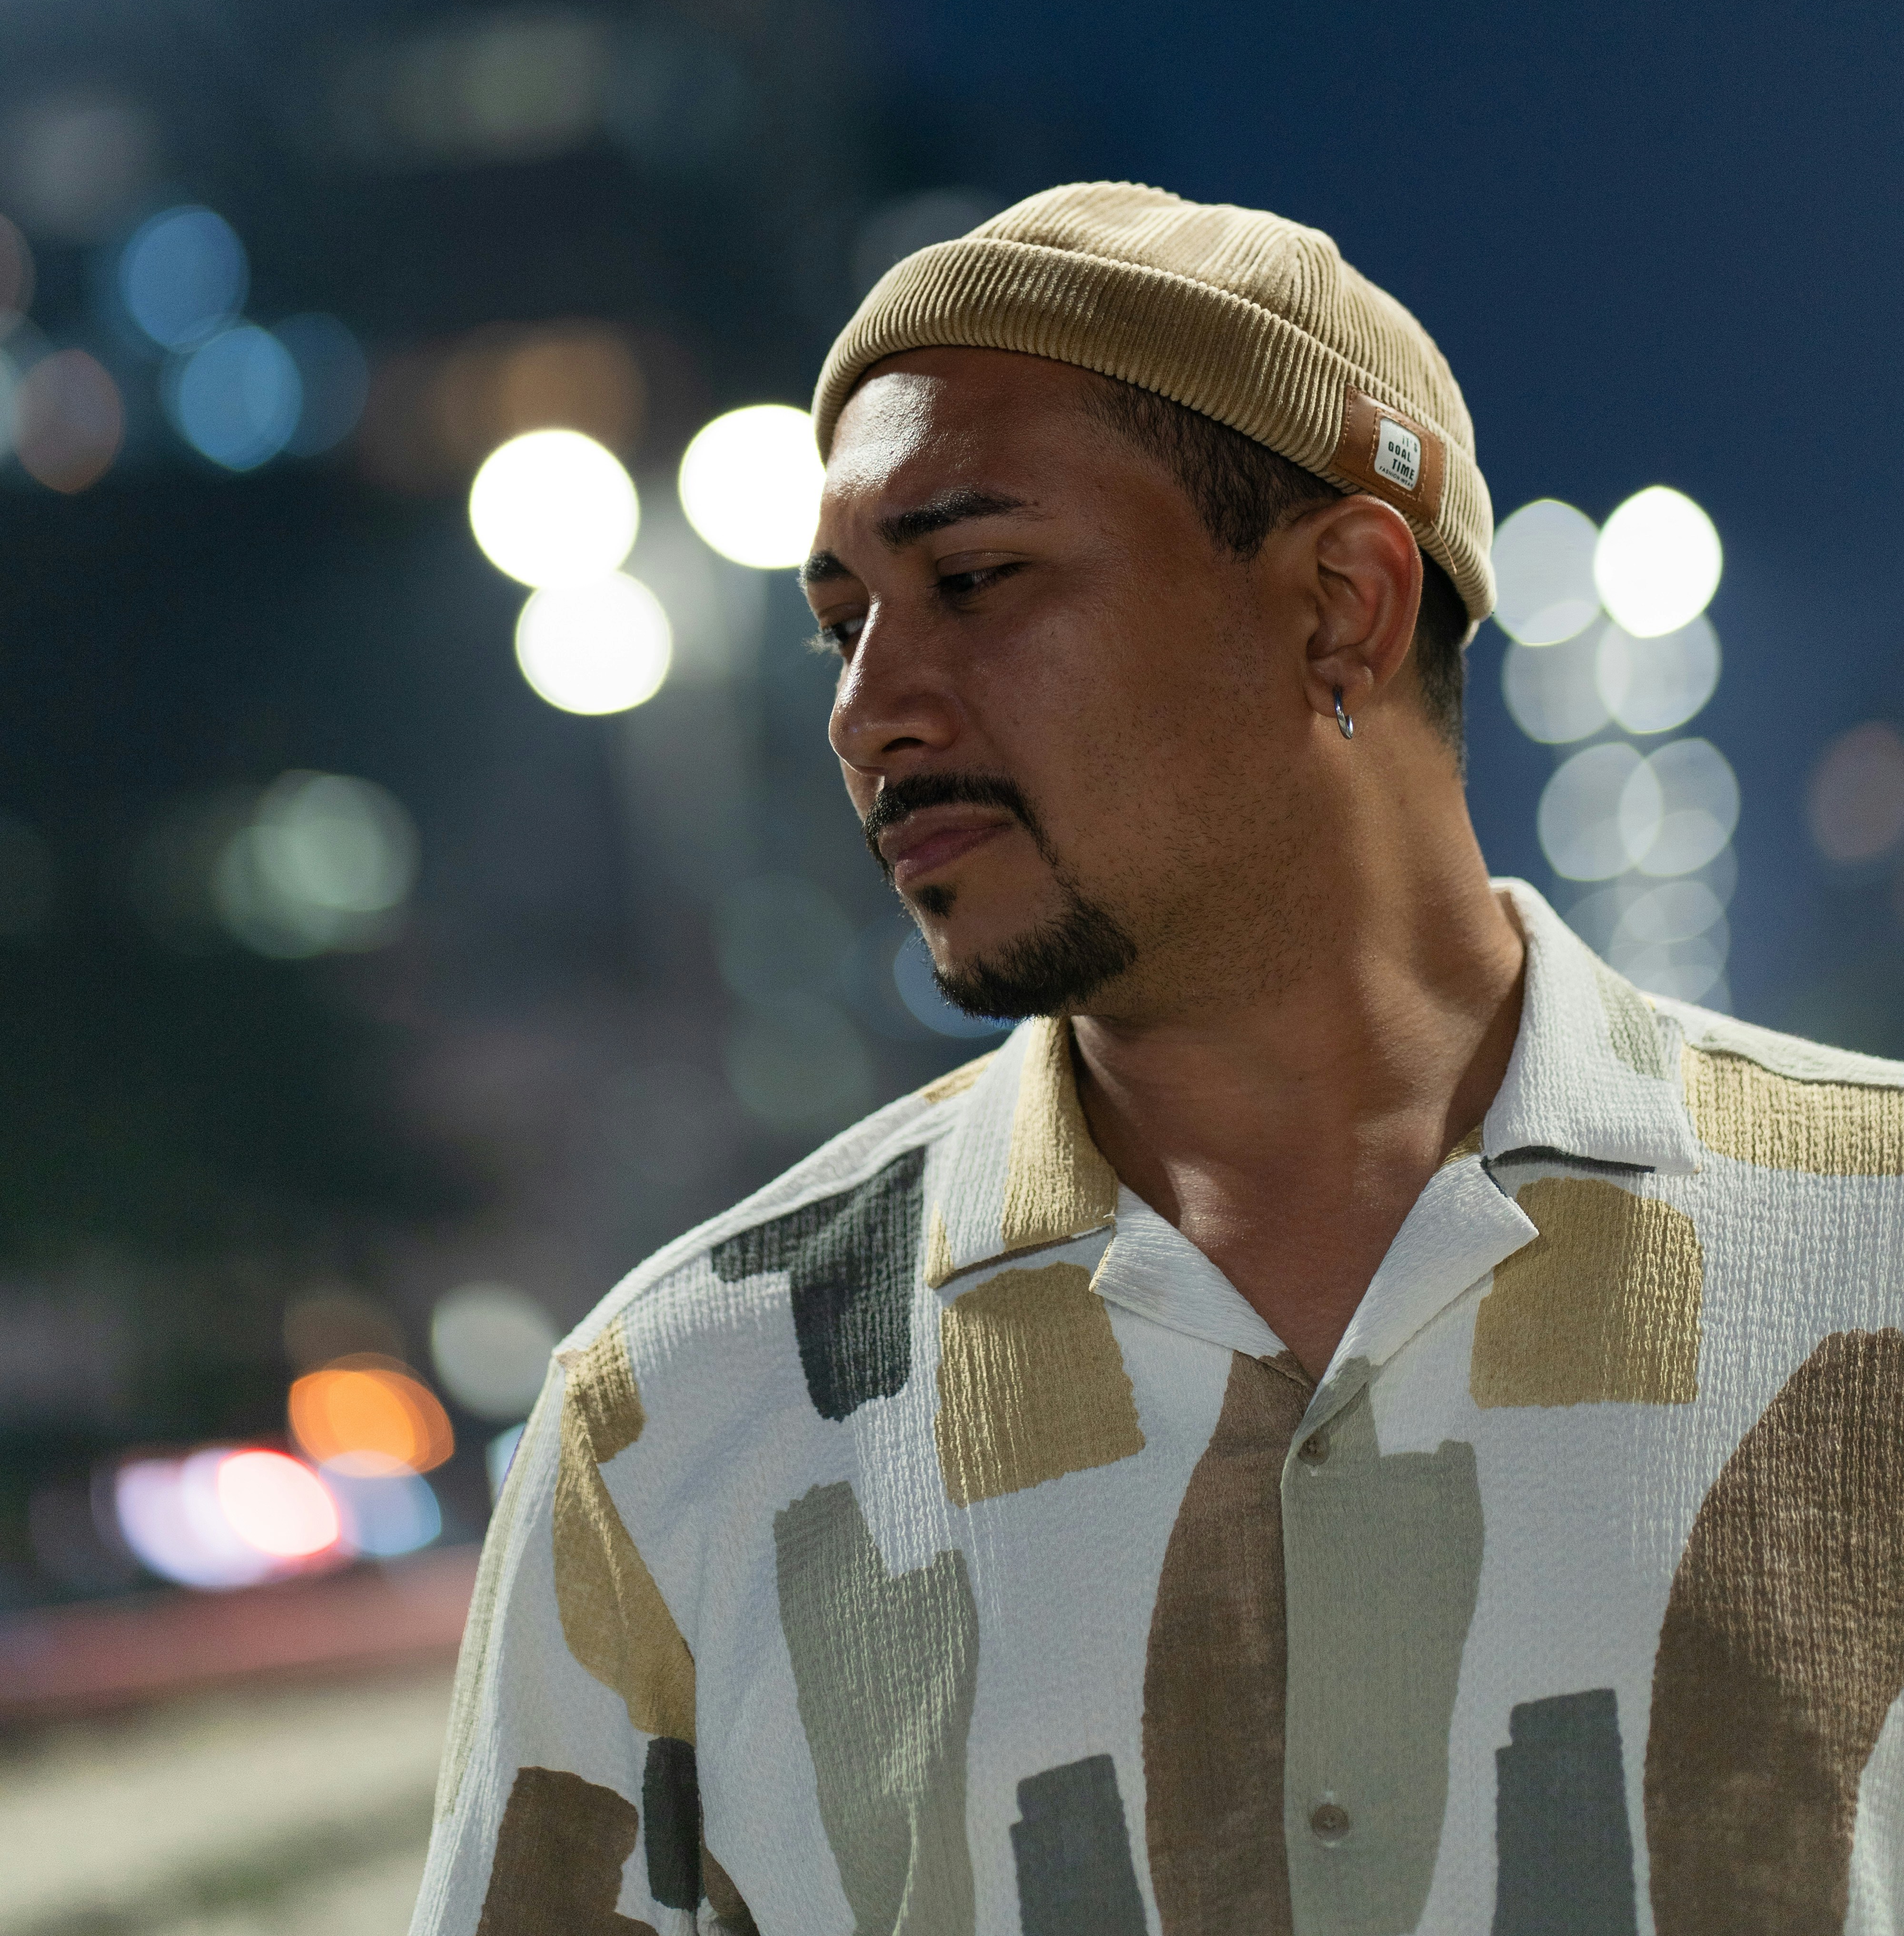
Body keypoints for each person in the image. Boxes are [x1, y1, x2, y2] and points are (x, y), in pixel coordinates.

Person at [413, 183, 1904, 1936]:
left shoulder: (1867, 1250)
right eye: (844, 622)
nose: (870, 706)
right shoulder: (679, 1424)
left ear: (1342, 607)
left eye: (973, 580)